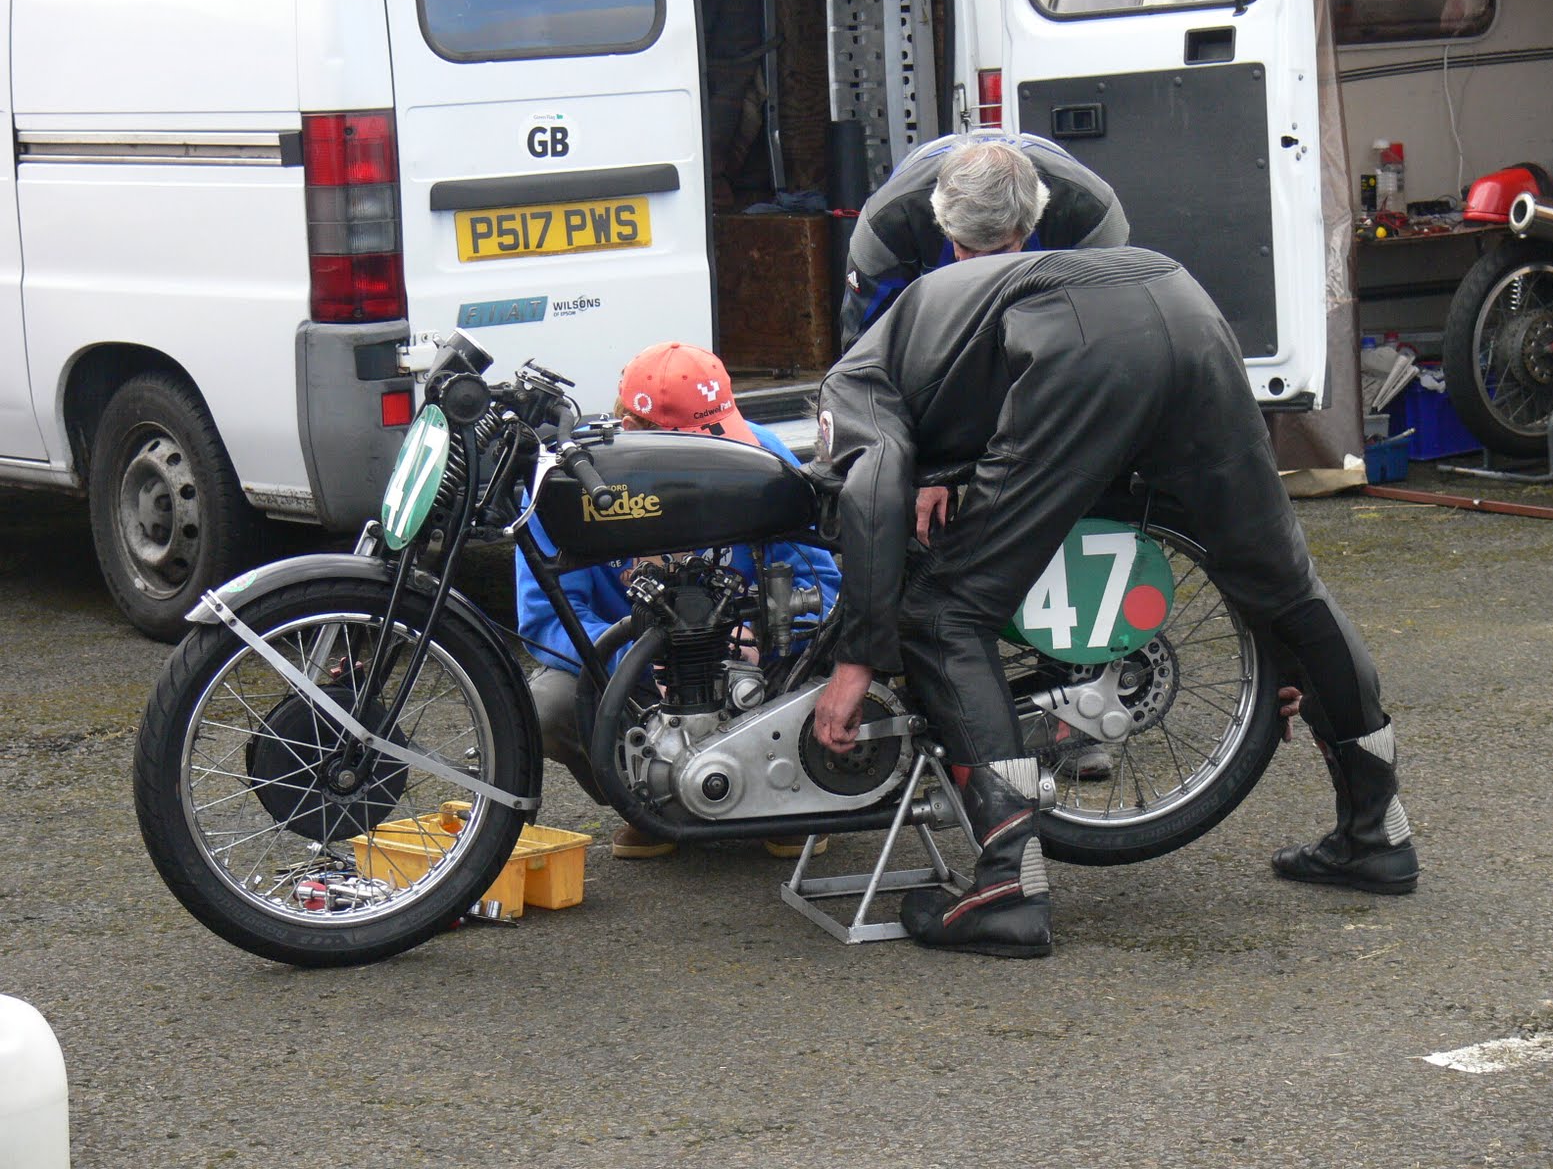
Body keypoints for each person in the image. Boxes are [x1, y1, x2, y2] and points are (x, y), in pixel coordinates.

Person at [807, 245, 1420, 959]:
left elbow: (873, 490)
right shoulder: (943, 318)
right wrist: (1283, 655)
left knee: (946, 612)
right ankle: (1378, 833)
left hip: (1079, 335)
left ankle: (1007, 884)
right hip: (1180, 296)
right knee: (1284, 584)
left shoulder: (850, 380)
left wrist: (856, 661)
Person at [517, 341, 841, 860]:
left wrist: (771, 637)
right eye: (696, 441)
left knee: (838, 661)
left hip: (754, 677)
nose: (719, 451)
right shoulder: (564, 482)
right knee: (548, 704)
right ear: (634, 429)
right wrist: (635, 660)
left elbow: (826, 591)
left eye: (721, 434)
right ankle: (651, 799)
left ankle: (792, 798)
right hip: (642, 687)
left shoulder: (761, 452)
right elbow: (544, 620)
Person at [837, 132, 1129, 350]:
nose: (981, 271)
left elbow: (1115, 336)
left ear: (1029, 225)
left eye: (999, 251)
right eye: (965, 248)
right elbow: (862, 353)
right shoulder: (887, 225)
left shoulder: (1091, 216)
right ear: (942, 222)